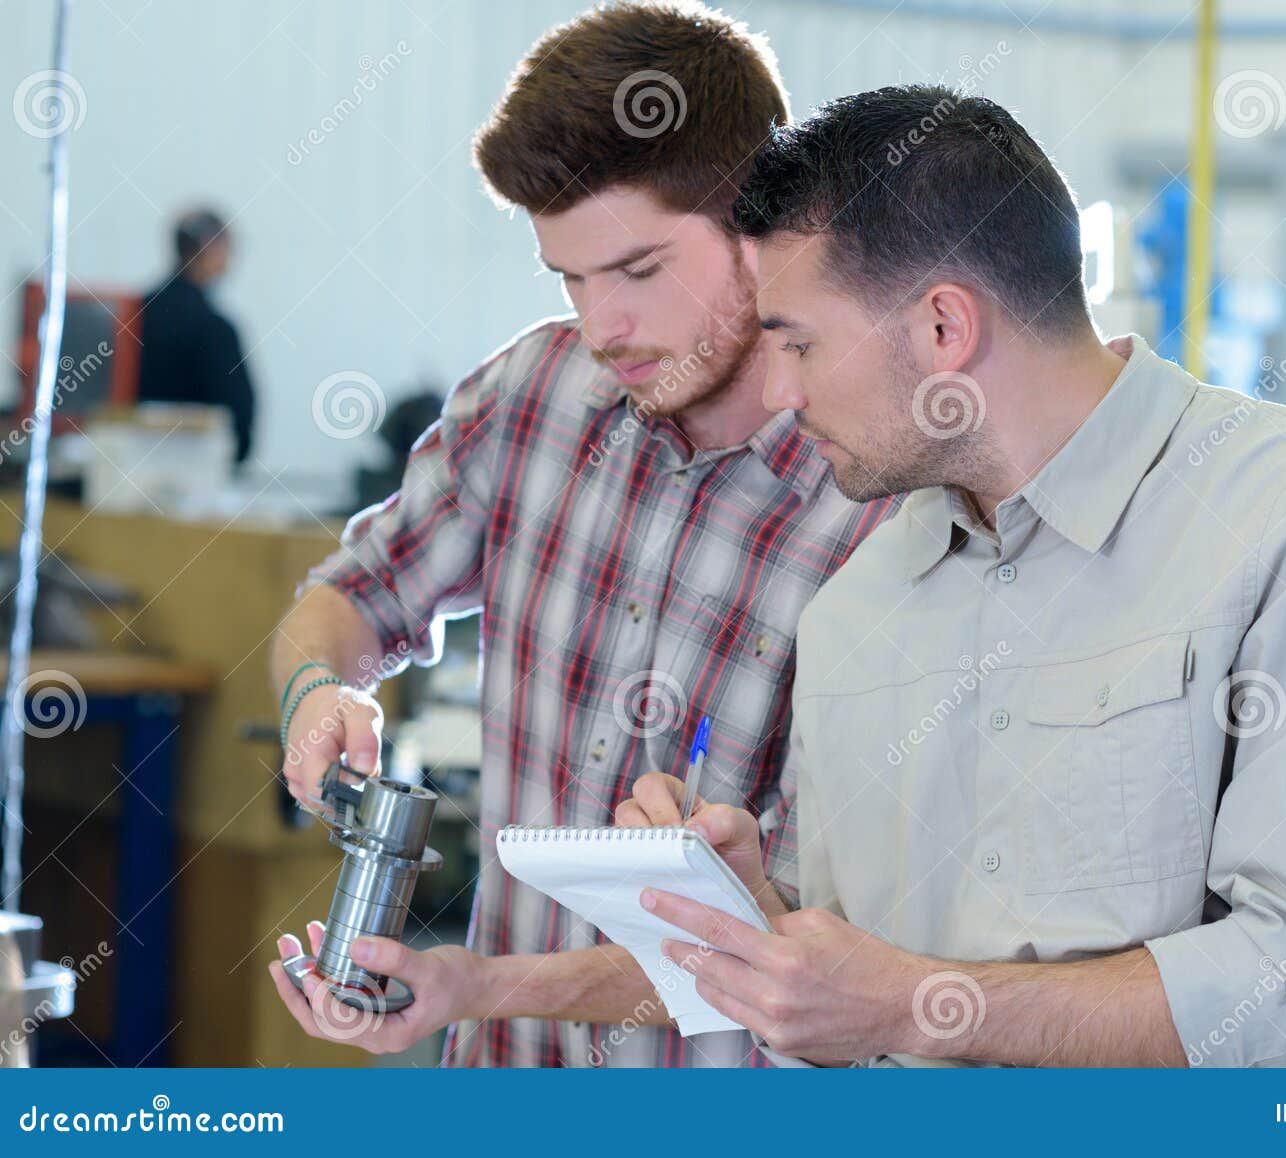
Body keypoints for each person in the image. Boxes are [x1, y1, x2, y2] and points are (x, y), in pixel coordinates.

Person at [618, 84, 1286, 1067]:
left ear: (944, 329)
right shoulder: (856, 607)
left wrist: (914, 1005)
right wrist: (769, 935)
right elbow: (866, 1010)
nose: (776, 395)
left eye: (797, 344)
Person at [266, 3, 895, 1067]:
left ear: (764, 227)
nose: (601, 327)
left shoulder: (881, 506)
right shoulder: (531, 397)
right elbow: (350, 595)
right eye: (569, 276)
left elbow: (805, 941)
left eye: (639, 272)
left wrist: (471, 986)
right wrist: (316, 692)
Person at [136, 209, 257, 464]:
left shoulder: (131, 316)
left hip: (126, 469)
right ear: (209, 248)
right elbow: (240, 420)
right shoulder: (217, 329)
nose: (229, 262)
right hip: (197, 476)